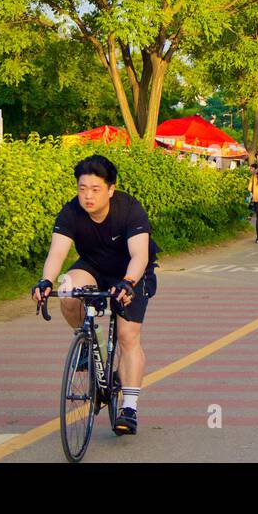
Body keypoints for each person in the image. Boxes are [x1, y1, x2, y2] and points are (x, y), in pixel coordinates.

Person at [32, 155, 157, 436]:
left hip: (131, 271)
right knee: (67, 290)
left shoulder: (130, 210)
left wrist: (127, 282)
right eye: (82, 188)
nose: (87, 196)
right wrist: (45, 281)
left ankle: (130, 408)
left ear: (110, 189)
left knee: (128, 337)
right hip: (94, 267)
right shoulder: (71, 212)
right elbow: (57, 252)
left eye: (95, 189)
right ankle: (89, 341)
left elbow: (140, 254)